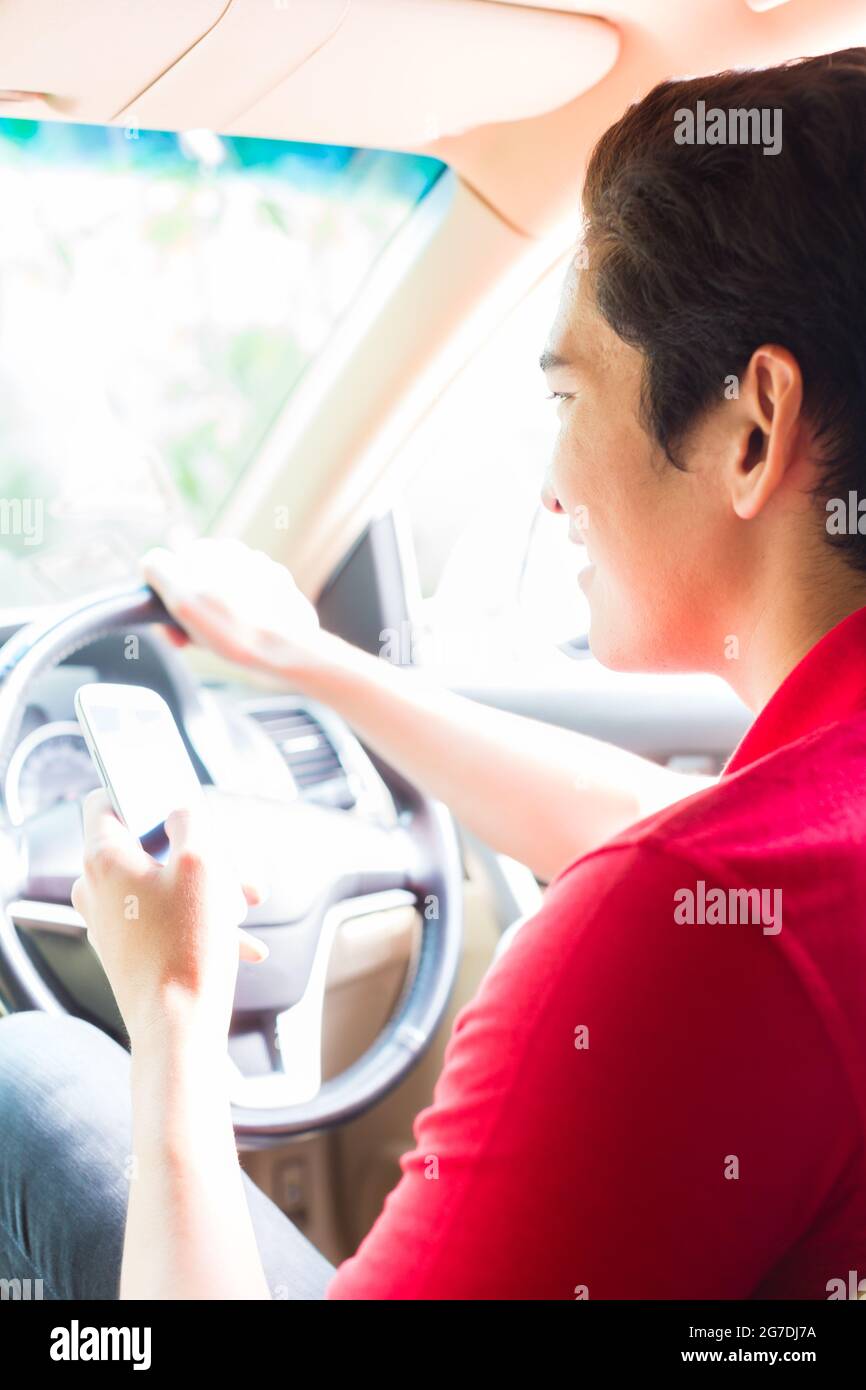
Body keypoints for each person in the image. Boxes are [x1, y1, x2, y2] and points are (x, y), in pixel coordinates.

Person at [3, 47, 866, 1301]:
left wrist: (174, 1008)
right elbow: (671, 841)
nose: (550, 484)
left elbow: (685, 887)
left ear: (750, 424)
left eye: (569, 394)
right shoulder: (793, 857)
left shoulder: (689, 944)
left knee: (32, 1084)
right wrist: (309, 660)